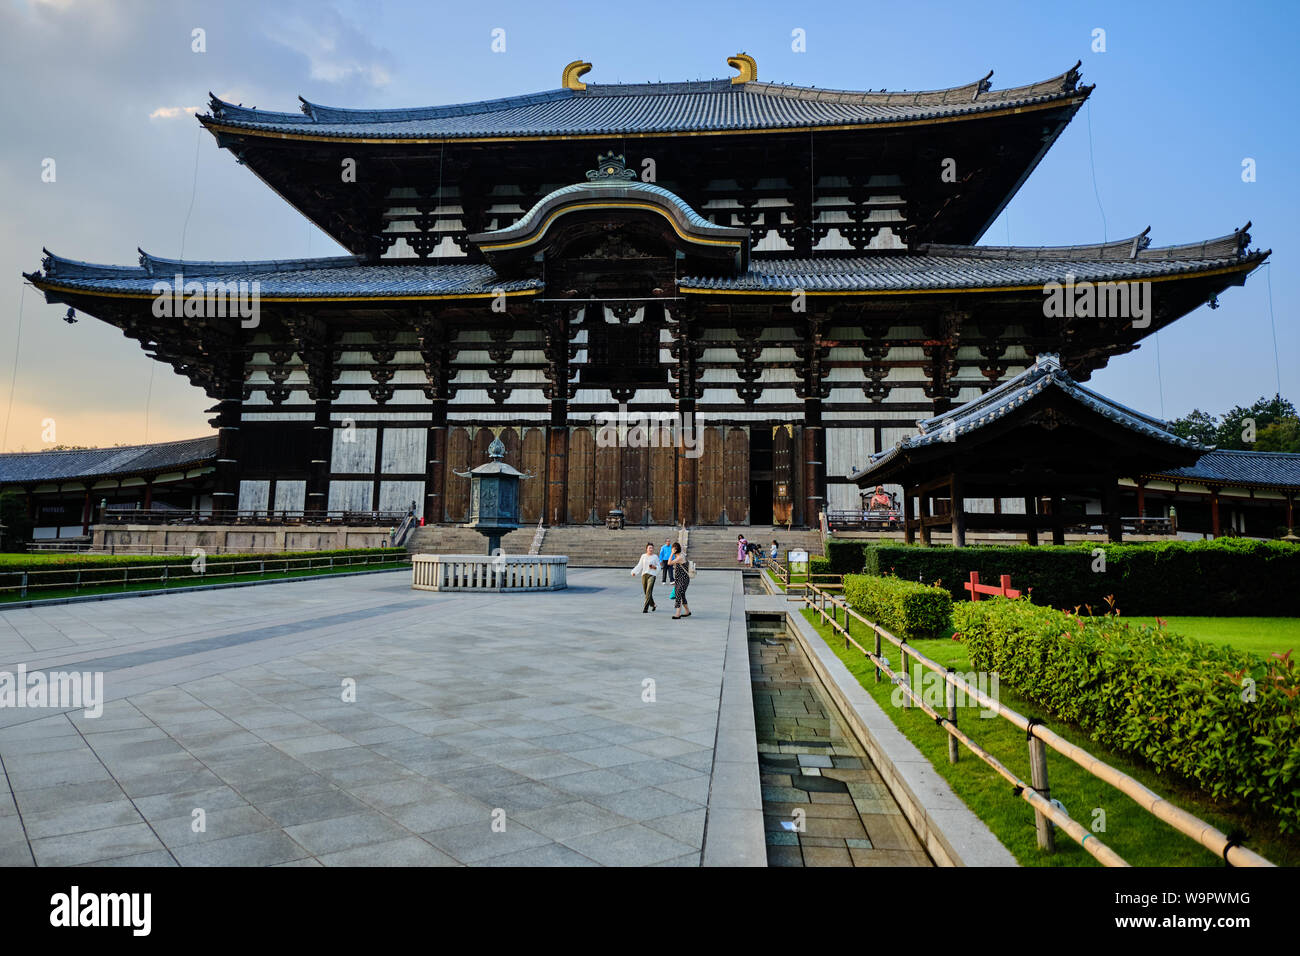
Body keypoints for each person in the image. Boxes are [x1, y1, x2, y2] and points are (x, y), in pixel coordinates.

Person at [630, 542, 660, 613]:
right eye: (649, 548)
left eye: (652, 548)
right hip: (644, 575)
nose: (651, 549)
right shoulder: (643, 556)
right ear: (646, 549)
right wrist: (634, 572)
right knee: (646, 592)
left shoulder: (655, 557)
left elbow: (659, 566)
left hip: (652, 575)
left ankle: (645, 608)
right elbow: (640, 565)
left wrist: (654, 567)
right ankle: (653, 604)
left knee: (648, 591)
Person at [669, 542, 691, 619]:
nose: (672, 550)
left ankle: (677, 614)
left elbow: (669, 563)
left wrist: (672, 553)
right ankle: (687, 612)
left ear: (675, 550)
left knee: (678, 594)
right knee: (682, 595)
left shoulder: (680, 557)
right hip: (679, 579)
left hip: (683, 579)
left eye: (673, 549)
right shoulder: (680, 555)